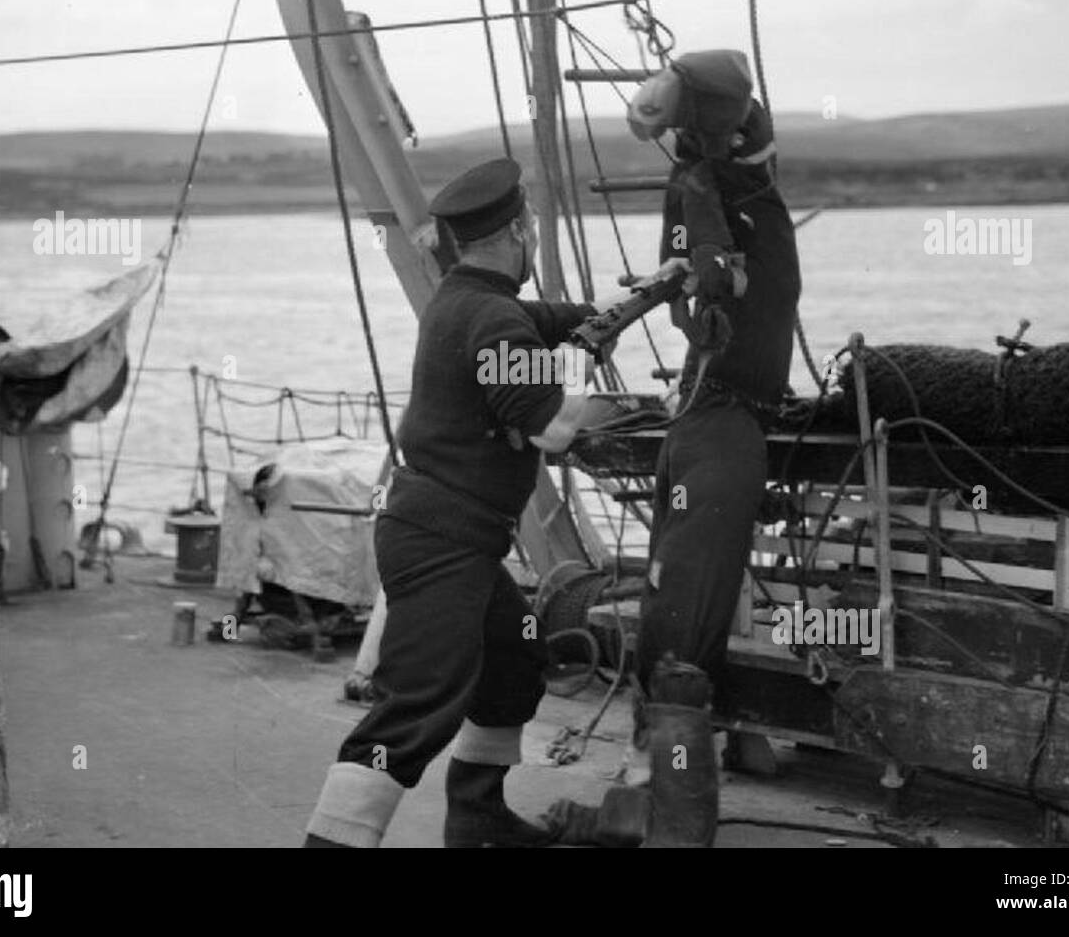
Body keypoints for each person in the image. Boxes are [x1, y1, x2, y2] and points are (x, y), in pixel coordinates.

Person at [302, 158, 684, 848]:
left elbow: (552, 320)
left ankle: (478, 817)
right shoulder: (494, 319)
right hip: (439, 543)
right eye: (531, 225)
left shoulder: (464, 296)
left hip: (453, 538)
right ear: (518, 230)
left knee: (511, 663)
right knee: (415, 708)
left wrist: (621, 311)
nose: (533, 234)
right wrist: (649, 404)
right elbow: (553, 426)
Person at [550, 50, 801, 847]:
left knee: (678, 626)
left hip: (711, 428)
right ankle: (659, 809)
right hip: (716, 431)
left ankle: (660, 807)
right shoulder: (745, 192)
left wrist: (702, 281)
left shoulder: (713, 189)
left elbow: (705, 299)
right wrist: (703, 279)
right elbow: (713, 292)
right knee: (679, 630)